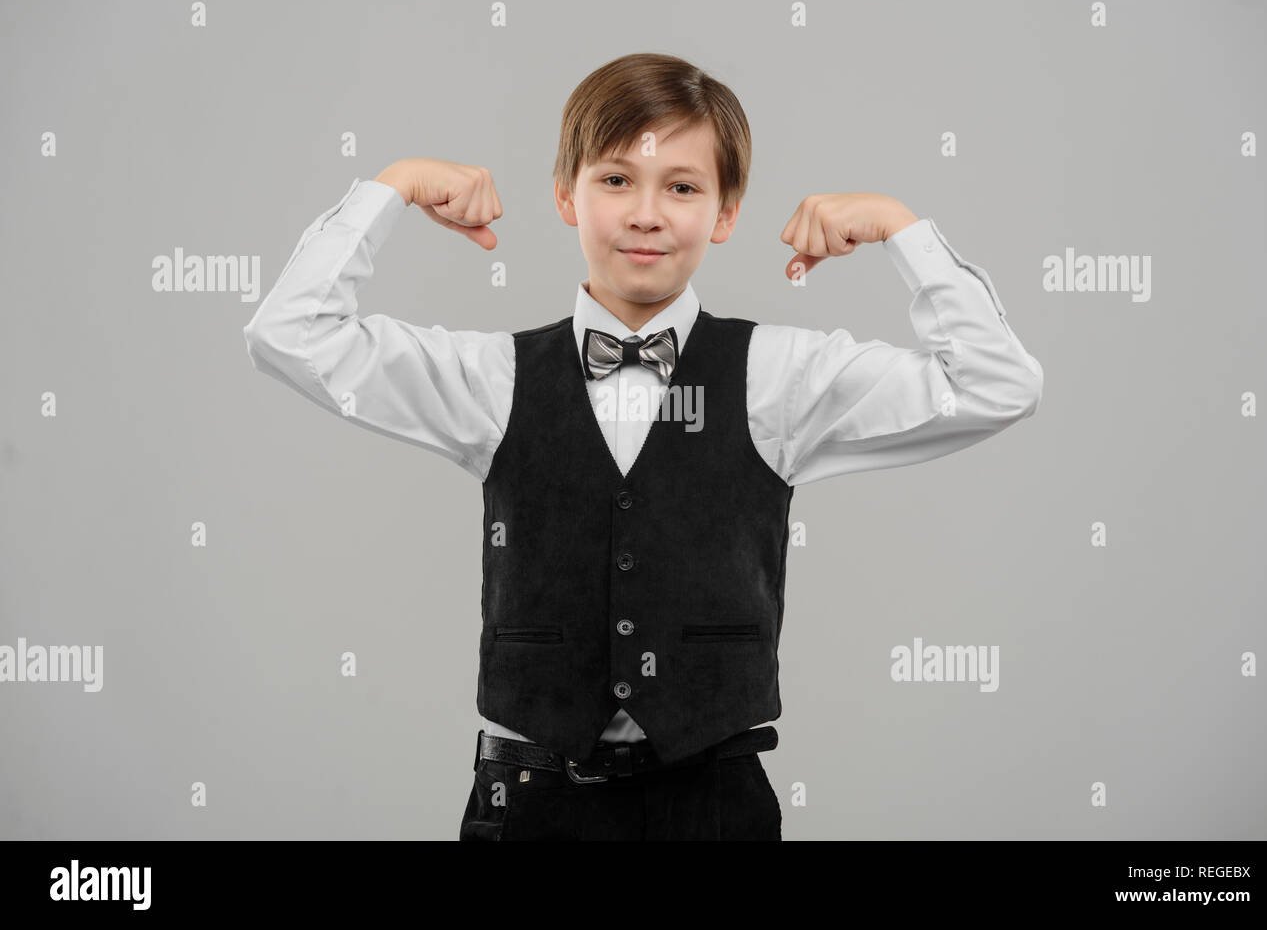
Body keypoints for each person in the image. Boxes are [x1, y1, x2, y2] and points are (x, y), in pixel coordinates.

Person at [241, 52, 1044, 840]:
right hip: (532, 802)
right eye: (616, 179)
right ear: (566, 194)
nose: (646, 214)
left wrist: (900, 229)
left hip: (714, 803)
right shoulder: (491, 378)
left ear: (726, 213)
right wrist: (393, 185)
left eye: (683, 187)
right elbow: (290, 334)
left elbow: (995, 384)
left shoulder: (778, 376)